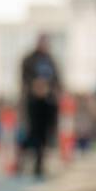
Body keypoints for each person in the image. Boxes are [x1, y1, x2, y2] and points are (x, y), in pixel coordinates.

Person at [19, 34, 61, 178]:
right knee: (32, 133)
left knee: (44, 136)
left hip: (47, 104)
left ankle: (39, 165)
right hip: (33, 103)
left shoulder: (51, 60)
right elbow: (24, 79)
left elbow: (57, 80)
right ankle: (21, 159)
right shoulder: (29, 60)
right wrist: (35, 87)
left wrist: (52, 91)